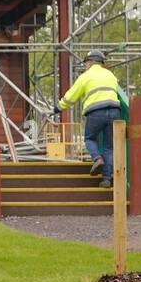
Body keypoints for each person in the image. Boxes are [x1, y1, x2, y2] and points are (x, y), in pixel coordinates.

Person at [55, 50, 123, 187]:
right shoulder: (110, 75)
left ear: (90, 62)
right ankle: (106, 179)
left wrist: (58, 107)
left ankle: (97, 159)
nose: (85, 65)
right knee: (109, 147)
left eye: (86, 63)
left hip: (96, 112)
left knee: (89, 138)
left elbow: (71, 96)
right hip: (115, 111)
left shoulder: (86, 76)